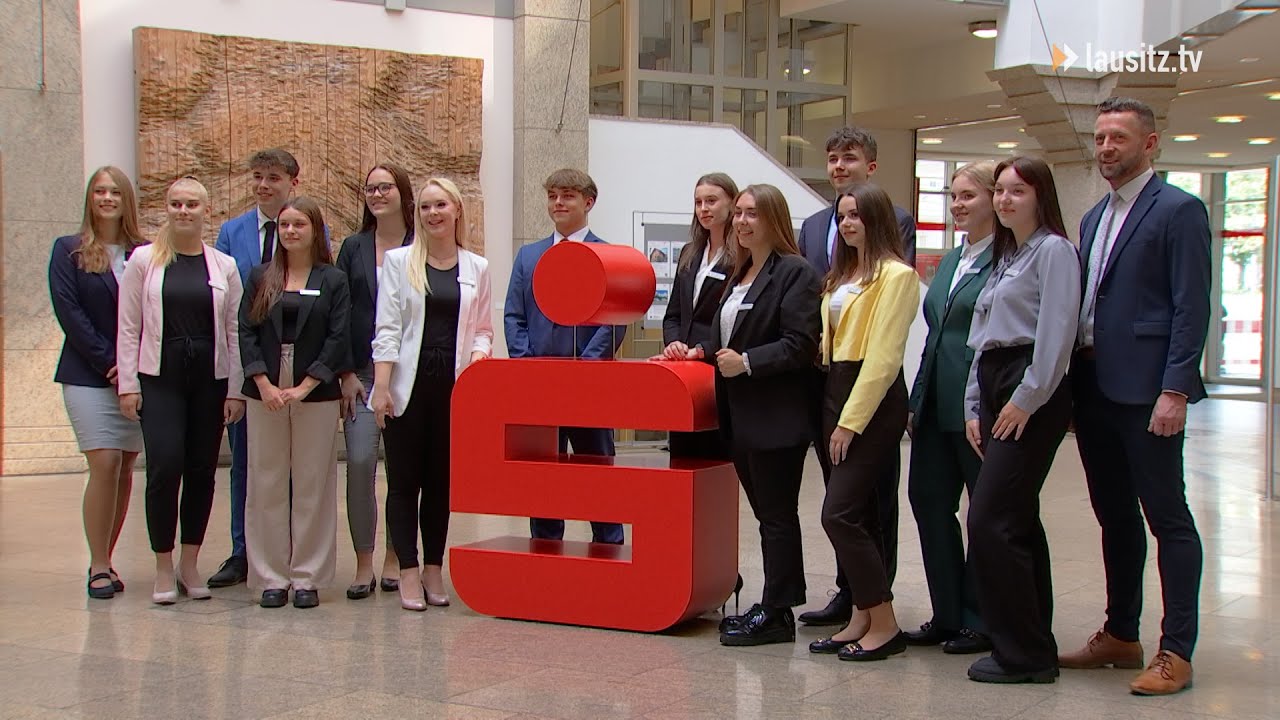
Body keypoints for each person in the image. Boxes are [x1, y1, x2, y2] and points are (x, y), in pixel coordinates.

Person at [1059, 97, 1210, 696]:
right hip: (1093, 385)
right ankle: (1121, 634)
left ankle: (1177, 650)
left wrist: (1175, 388)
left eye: (1118, 137)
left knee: (1166, 517)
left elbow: (1190, 307)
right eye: (1099, 138)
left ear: (1150, 144)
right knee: (1113, 514)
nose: (1105, 148)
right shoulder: (1095, 217)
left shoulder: (1179, 211)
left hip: (1148, 392)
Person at [687, 184, 820, 647]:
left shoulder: (795, 273)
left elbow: (801, 344)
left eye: (753, 214)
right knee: (766, 514)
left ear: (774, 220)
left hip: (776, 414)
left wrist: (746, 362)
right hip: (739, 415)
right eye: (739, 213)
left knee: (777, 515)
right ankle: (774, 604)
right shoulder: (738, 272)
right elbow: (724, 333)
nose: (742, 222)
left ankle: (779, 612)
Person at [962, 156, 1079, 684]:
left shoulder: (1054, 251)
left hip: (1028, 384)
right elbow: (981, 339)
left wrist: (1025, 398)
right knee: (1018, 521)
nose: (1006, 200)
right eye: (1002, 191)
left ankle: (1022, 652)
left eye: (1018, 192)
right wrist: (973, 405)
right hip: (993, 381)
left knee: (989, 519)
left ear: (1040, 196)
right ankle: (1035, 643)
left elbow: (1056, 337)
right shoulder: (1008, 255)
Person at [796, 126, 918, 627]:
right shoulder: (813, 229)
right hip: (830, 383)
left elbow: (884, 349)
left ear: (870, 167)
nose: (839, 167)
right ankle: (856, 603)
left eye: (849, 159)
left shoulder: (894, 255)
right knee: (842, 501)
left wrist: (850, 417)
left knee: (862, 503)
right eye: (832, 159)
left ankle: (877, 602)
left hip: (869, 388)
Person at [117, 177, 245, 605]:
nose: (183, 211)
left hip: (209, 380)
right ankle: (162, 564)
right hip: (160, 378)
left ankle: (190, 563)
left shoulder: (223, 265)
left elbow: (233, 328)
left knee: (202, 470)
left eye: (192, 204)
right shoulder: (143, 261)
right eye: (176, 204)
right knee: (165, 465)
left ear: (206, 211)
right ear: (166, 209)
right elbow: (129, 324)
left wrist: (235, 390)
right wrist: (129, 385)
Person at [371, 178, 493, 611]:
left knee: (440, 485)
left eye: (440, 205)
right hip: (407, 385)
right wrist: (381, 388)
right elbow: (386, 329)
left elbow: (482, 329)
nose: (433, 213)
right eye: (424, 207)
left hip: (453, 388)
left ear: (457, 210)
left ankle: (433, 569)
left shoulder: (476, 267)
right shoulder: (399, 262)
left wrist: (478, 362)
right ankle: (406, 568)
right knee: (404, 483)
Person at [503, 169, 627, 545]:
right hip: (540, 389)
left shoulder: (608, 256)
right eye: (553, 195)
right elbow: (514, 315)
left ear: (588, 202)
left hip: (589, 390)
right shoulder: (529, 256)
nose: (558, 203)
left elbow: (614, 320)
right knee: (544, 482)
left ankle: (609, 555)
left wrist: (586, 369)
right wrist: (528, 365)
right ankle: (546, 559)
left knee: (597, 477)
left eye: (568, 196)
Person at [903, 161, 997, 654]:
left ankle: (981, 617)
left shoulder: (1006, 258)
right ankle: (947, 612)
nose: (958, 205)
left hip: (976, 407)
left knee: (982, 512)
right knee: (928, 503)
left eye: (968, 196)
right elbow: (934, 337)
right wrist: (916, 401)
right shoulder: (952, 258)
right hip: (935, 403)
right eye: (953, 196)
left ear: (994, 200)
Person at [239, 197, 351, 609]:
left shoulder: (333, 279)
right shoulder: (260, 277)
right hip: (265, 386)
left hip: (315, 388)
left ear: (315, 229)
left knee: (312, 483)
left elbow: (339, 337)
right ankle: (270, 576)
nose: (290, 231)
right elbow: (246, 332)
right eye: (284, 224)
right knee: (266, 480)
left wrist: (305, 386)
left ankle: (307, 576)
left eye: (299, 224)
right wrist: (264, 383)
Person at [49, 166, 147, 600]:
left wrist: (133, 368)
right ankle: (99, 563)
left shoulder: (144, 252)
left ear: (127, 200)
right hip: (89, 376)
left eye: (115, 192)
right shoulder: (68, 251)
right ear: (90, 198)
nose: (107, 198)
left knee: (125, 467)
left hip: (137, 380)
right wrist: (113, 362)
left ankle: (105, 558)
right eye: (99, 191)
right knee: (104, 463)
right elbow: (70, 314)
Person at [210, 148, 301, 589]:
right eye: (258, 177)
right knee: (245, 462)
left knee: (291, 466)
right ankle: (243, 551)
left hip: (296, 368)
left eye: (274, 178)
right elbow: (229, 307)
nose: (264, 185)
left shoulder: (306, 224)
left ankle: (287, 550)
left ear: (292, 184)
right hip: (250, 367)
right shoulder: (232, 232)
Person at [334, 164, 414, 598]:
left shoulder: (421, 245)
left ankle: (395, 557)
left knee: (404, 472)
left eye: (385, 187)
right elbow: (340, 313)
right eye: (370, 188)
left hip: (410, 374)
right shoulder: (354, 247)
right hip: (363, 374)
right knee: (362, 461)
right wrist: (345, 372)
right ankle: (363, 559)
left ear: (403, 193)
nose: (378, 194)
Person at [658, 172, 738, 460]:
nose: (703, 208)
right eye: (698, 202)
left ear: (732, 203)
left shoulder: (741, 256)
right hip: (685, 374)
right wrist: (673, 344)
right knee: (682, 456)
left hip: (716, 369)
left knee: (714, 458)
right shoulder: (690, 253)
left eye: (712, 201)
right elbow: (674, 315)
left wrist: (700, 349)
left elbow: (731, 319)